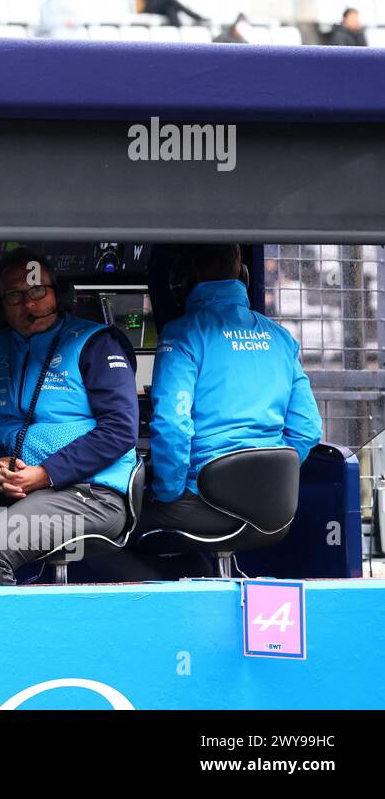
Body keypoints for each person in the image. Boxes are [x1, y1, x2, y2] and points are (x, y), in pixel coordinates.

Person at [110, 245, 323, 580]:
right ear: (243, 277)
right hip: (274, 511)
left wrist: (168, 492)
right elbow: (308, 429)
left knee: (111, 528)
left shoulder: (183, 334)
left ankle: (181, 607)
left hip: (201, 502)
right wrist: (263, 478)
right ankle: (199, 578)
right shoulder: (281, 338)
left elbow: (172, 426)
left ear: (179, 284)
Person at [0, 248, 139, 586]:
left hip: (93, 494)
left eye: (38, 291)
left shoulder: (96, 343)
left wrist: (45, 474)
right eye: (14, 296)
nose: (29, 305)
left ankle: (3, 640)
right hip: (22, 491)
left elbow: (120, 431)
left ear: (60, 294)